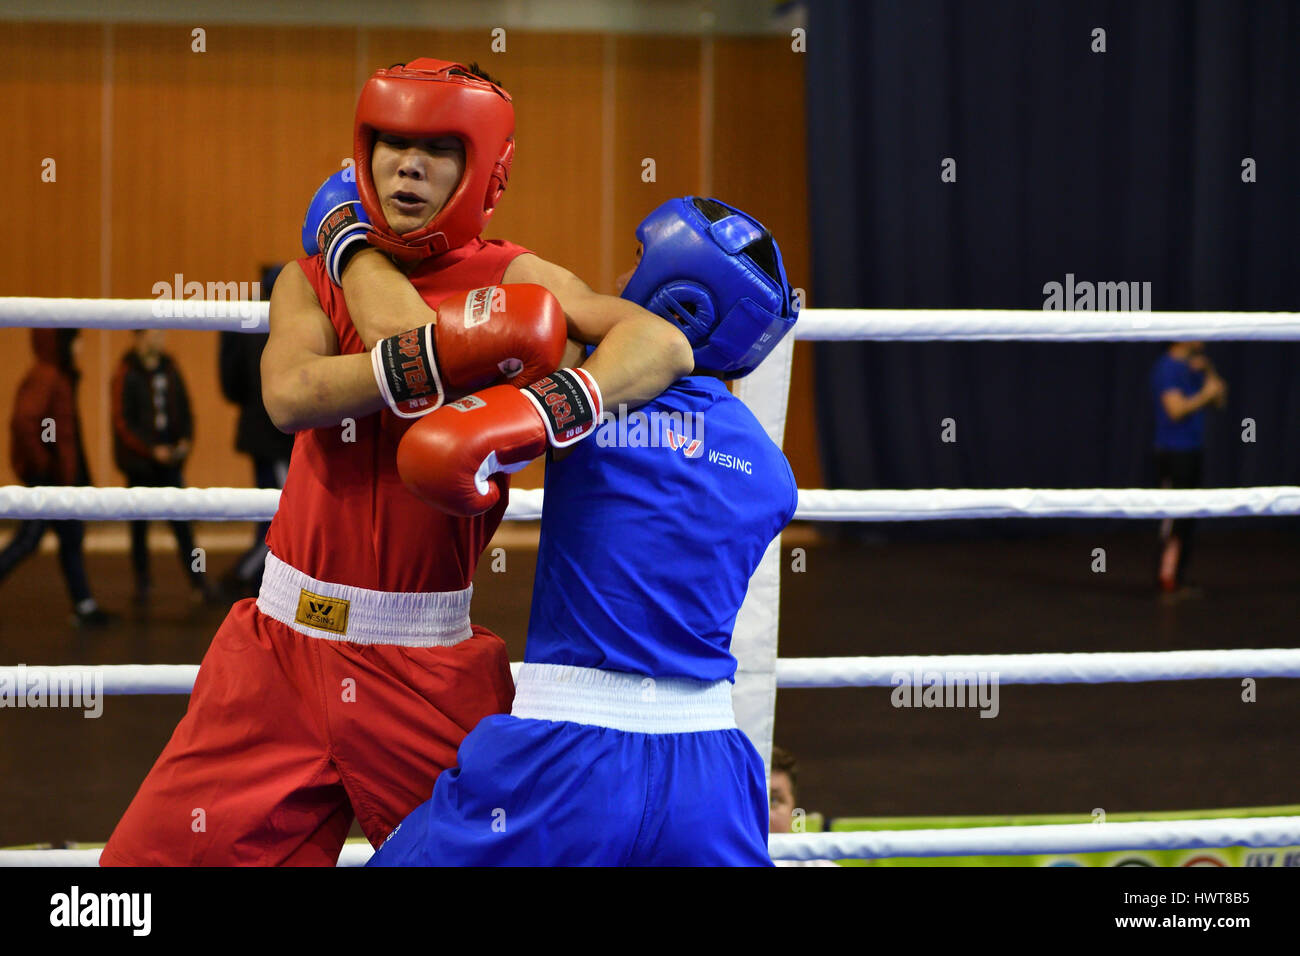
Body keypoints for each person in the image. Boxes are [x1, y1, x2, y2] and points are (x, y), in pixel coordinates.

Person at [101, 58, 692, 866]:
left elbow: (661, 342)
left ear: (487, 167)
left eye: (436, 147)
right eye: (389, 143)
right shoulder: (311, 280)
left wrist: (540, 407)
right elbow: (290, 395)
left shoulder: (515, 277)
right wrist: (427, 353)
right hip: (278, 651)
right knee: (145, 870)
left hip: (423, 662)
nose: (406, 164)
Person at [370, 196, 799, 866]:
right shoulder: (774, 477)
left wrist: (350, 240)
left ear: (680, 296)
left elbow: (414, 336)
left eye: (639, 261)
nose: (624, 279)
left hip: (569, 750)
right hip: (710, 766)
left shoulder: (586, 385)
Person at [0, 329, 109, 627]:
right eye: (76, 339)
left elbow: (59, 430)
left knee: (70, 537)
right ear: (63, 342)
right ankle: (84, 604)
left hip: (58, 479)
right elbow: (25, 421)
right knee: (28, 540)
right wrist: (43, 466)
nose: (81, 346)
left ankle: (84, 604)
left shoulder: (56, 375)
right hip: (49, 479)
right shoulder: (47, 376)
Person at [111, 328, 213, 603]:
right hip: (140, 466)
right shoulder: (126, 372)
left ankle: (199, 582)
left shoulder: (170, 368)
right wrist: (149, 450)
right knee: (139, 528)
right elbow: (122, 423)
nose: (160, 338)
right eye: (153, 333)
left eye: (160, 333)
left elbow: (185, 407)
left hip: (170, 462)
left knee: (183, 527)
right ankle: (142, 584)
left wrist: (185, 441)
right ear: (139, 336)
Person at [217, 264, 295, 598]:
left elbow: (230, 382)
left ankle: (253, 576)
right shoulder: (289, 321)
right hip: (279, 435)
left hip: (261, 433)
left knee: (272, 509)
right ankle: (242, 576)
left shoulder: (245, 321)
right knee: (284, 513)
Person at [1150, 340, 1227, 599]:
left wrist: (1208, 371)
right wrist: (1206, 393)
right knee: (1174, 517)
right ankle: (1166, 577)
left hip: (1193, 450)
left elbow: (1220, 399)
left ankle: (1176, 577)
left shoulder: (1197, 365)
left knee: (1187, 518)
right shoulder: (1168, 367)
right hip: (1173, 452)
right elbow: (1175, 410)